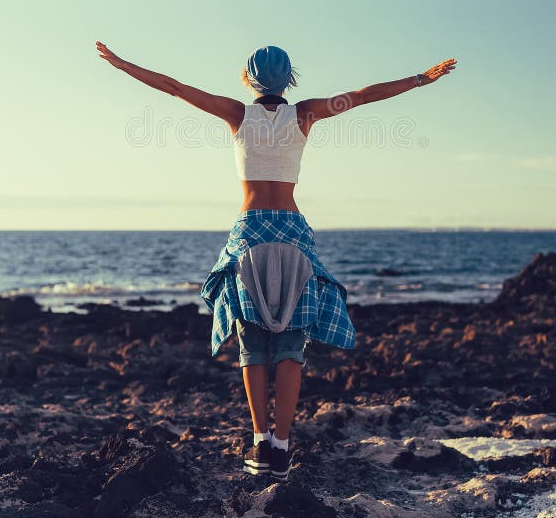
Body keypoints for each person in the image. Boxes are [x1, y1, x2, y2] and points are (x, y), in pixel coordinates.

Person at [96, 40, 457, 481]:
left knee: (253, 344)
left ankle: (260, 441)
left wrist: (119, 63)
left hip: (250, 233)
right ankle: (282, 447)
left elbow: (173, 87)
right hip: (292, 233)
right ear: (290, 79)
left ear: (248, 79)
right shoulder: (306, 113)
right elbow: (363, 96)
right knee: (290, 345)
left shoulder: (236, 113)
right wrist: (423, 78)